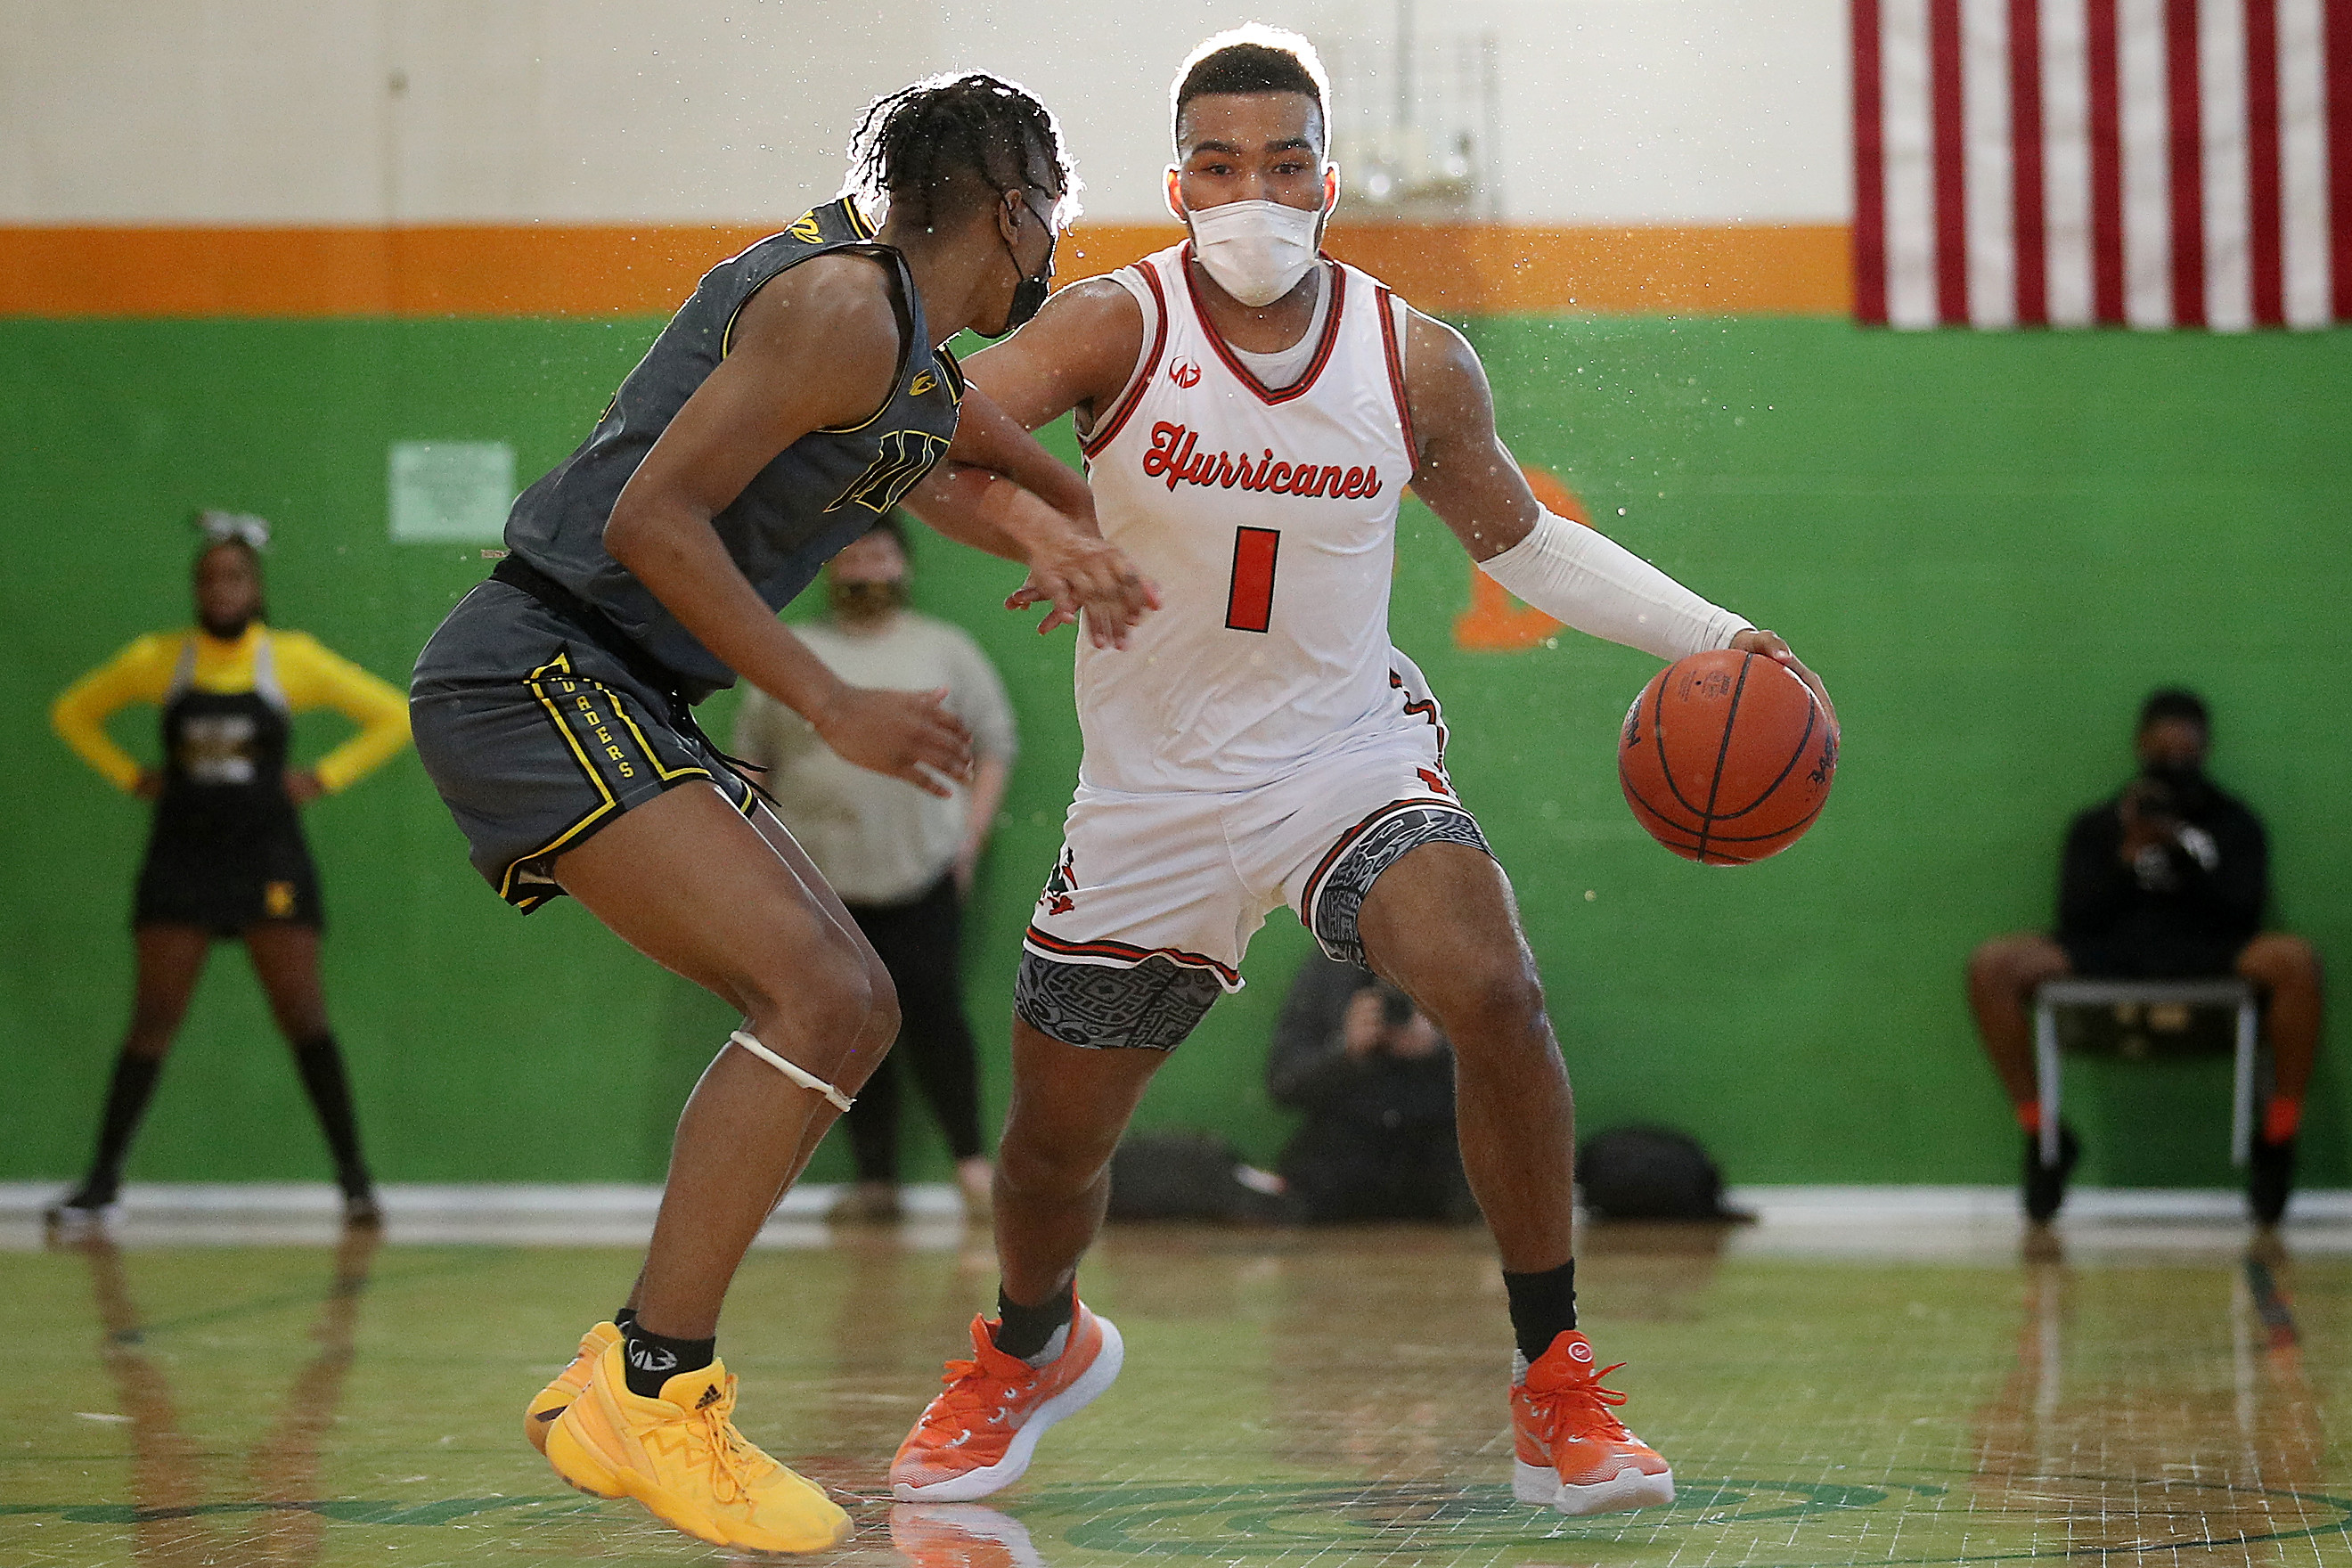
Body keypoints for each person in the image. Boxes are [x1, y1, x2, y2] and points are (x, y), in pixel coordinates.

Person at [885, 26, 1832, 1520]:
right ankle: (1030, 1340)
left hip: (1345, 755)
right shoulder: (1111, 330)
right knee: (1050, 1150)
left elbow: (1517, 542)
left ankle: (1554, 1387)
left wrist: (1718, 634)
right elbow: (911, 435)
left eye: (1279, 162)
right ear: (1177, 181)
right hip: (1152, 793)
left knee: (1493, 982)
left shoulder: (1411, 357)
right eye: (1217, 164)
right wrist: (1041, 532)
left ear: (1327, 178)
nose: (1249, 191)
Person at [408, 74, 1156, 1556]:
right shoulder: (842, 308)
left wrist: (1092, 535)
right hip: (541, 669)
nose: (1057, 243)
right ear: (1015, 204)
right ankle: (649, 1383)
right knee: (819, 990)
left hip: (613, 681)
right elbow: (648, 522)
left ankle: (628, 1386)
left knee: (851, 1002)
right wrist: (835, 705)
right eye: (1054, 214)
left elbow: (969, 464)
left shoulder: (904, 353)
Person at [46, 513, 411, 1232]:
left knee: (304, 1017)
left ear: (256, 586)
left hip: (267, 857)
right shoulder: (161, 659)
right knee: (152, 1020)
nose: (221, 589)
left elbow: (395, 715)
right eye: (209, 578)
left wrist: (325, 777)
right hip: (182, 858)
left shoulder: (290, 659)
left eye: (235, 577)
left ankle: (356, 1184)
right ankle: (100, 1186)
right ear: (196, 588)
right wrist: (128, 776)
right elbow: (72, 713)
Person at [733, 512, 1017, 1223]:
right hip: (819, 883)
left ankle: (973, 1167)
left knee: (936, 1018)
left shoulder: (944, 650)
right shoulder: (790, 654)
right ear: (829, 567)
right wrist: (762, 863)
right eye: (849, 553)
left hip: (922, 872)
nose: (864, 566)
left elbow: (996, 744)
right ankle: (876, 1180)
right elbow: (750, 765)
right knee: (850, 1031)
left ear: (904, 566)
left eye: (879, 552)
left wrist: (968, 842)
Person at [1966, 688, 2324, 1227]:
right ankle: (2043, 1133)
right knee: (1991, 965)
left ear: (2205, 751)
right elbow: (2076, 916)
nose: (2174, 765)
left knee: (2297, 961)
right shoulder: (2100, 825)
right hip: (2113, 948)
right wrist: (2127, 854)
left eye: (2186, 753)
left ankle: (2278, 1136)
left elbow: (2243, 911)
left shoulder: (2234, 824)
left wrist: (2182, 850)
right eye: (2162, 753)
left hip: (2207, 948)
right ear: (2140, 747)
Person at [1267, 951, 1476, 1224]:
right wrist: (1345, 1051)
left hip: (1436, 1166)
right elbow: (1283, 1083)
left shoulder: (1459, 965)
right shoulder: (1330, 971)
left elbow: (1508, 1085)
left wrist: (1440, 1047)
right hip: (1341, 1168)